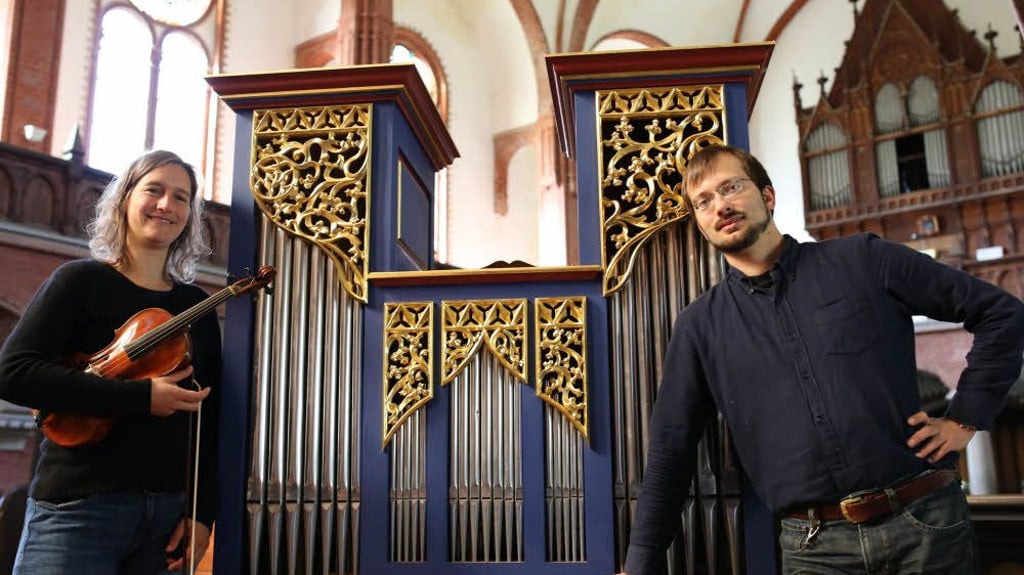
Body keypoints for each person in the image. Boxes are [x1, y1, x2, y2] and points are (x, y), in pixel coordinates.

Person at [620, 144, 1024, 574]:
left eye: (731, 187)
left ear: (768, 196)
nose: (720, 205)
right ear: (701, 223)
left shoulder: (864, 259)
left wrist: (966, 417)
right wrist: (639, 564)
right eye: (704, 201)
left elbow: (1002, 313)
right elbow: (671, 450)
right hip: (814, 549)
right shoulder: (698, 327)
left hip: (924, 523)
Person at [0, 150, 221, 574]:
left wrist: (202, 513)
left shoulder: (196, 307)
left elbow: (209, 420)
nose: (166, 205)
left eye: (181, 198)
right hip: (77, 509)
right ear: (124, 200)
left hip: (166, 518)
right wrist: (140, 398)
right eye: (153, 190)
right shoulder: (80, 282)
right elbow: (14, 374)